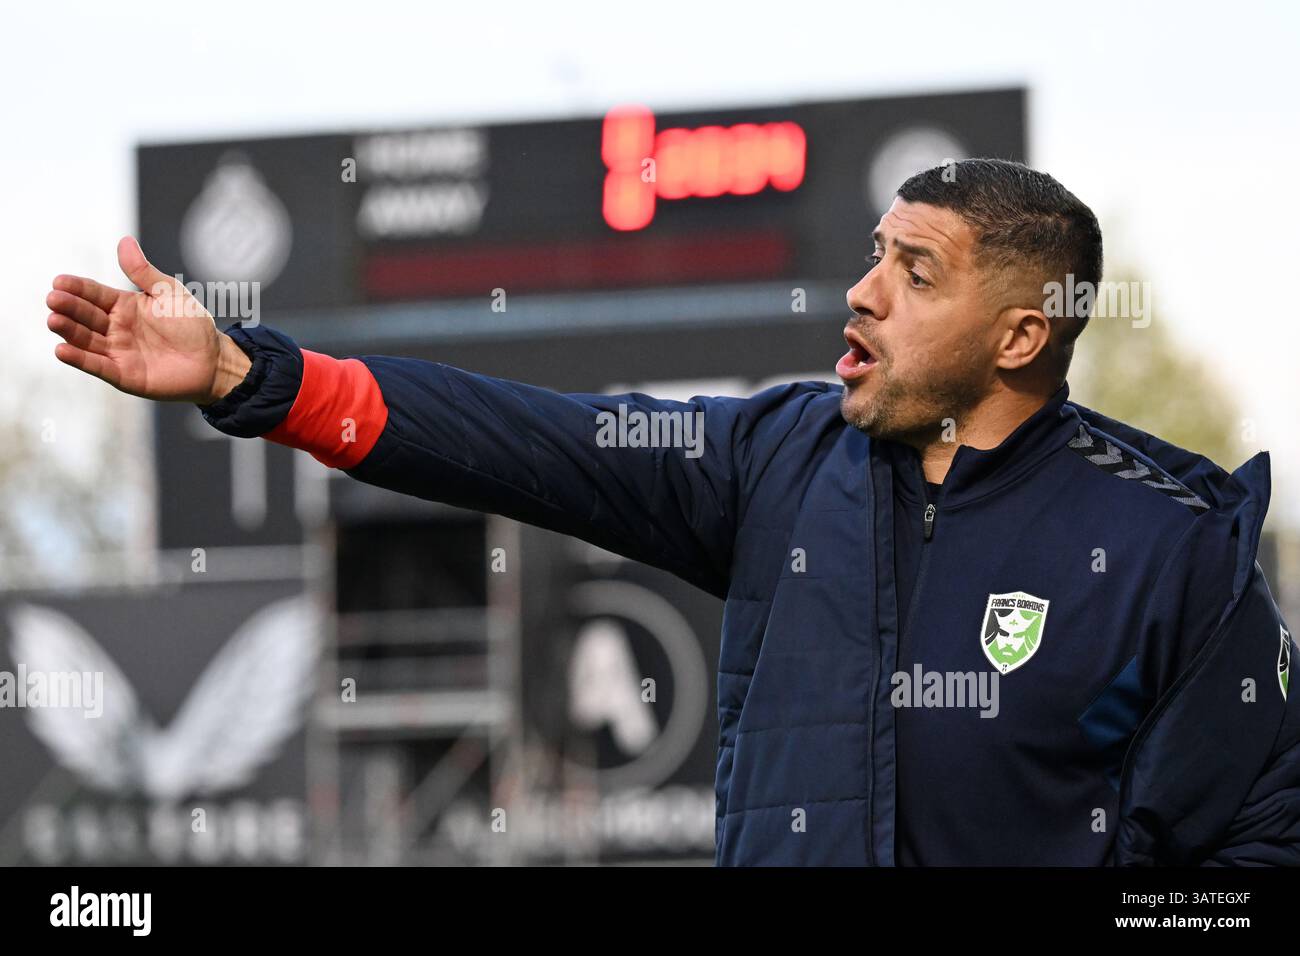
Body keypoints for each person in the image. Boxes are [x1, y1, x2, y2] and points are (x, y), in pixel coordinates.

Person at [44, 159, 1298, 865]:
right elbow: (518, 442)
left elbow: (1255, 847)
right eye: (872, 253)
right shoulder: (776, 460)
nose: (860, 293)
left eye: (913, 273)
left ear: (1024, 333)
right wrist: (247, 378)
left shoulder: (1175, 545)